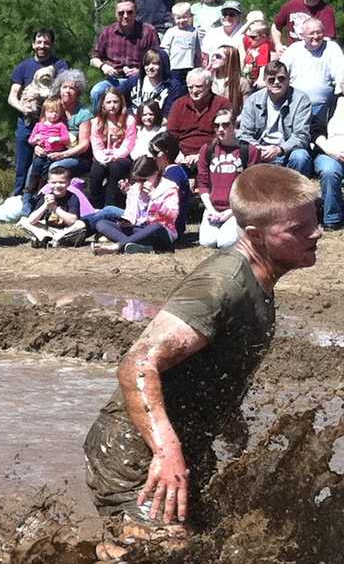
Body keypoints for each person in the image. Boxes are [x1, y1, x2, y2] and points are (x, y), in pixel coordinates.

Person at [84, 164, 321, 558]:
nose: (316, 234)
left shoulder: (256, 278)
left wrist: (232, 433)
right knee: (170, 552)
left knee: (218, 540)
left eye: (313, 222)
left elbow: (212, 367)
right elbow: (137, 364)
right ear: (255, 236)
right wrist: (165, 451)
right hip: (135, 453)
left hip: (186, 449)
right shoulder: (222, 284)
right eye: (298, 229)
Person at [9, 28, 70, 197]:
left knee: (47, 165)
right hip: (27, 121)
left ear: (52, 44)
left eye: (46, 42)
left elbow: (64, 92)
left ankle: (43, 198)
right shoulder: (23, 67)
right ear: (33, 44)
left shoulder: (60, 66)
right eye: (39, 42)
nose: (42, 46)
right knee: (22, 164)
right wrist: (23, 108)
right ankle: (18, 197)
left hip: (53, 123)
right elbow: (12, 96)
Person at [236, 62, 314, 177]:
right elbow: (244, 134)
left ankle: (295, 193)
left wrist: (279, 149)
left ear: (288, 79)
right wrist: (258, 149)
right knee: (239, 151)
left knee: (300, 157)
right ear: (264, 81)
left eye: (281, 78)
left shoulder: (301, 100)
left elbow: (301, 136)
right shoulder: (253, 100)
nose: (276, 82)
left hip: (287, 150)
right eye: (271, 80)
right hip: (259, 149)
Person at [90, 155, 180, 255]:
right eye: (137, 180)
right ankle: (137, 246)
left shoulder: (168, 187)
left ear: (155, 173)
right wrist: (126, 221)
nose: (140, 183)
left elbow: (171, 215)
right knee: (102, 223)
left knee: (156, 226)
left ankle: (117, 246)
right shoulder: (135, 188)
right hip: (138, 229)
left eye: (143, 180)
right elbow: (130, 213)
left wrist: (153, 196)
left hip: (159, 233)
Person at [197, 110, 258, 247]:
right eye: (216, 125)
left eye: (225, 125)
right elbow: (202, 183)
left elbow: (251, 188)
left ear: (234, 125)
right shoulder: (207, 150)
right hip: (213, 208)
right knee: (208, 242)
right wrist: (211, 209)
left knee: (225, 243)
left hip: (237, 208)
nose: (220, 129)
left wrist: (231, 212)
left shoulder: (248, 150)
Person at [90, 0, 161, 108]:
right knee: (96, 92)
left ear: (135, 13)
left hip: (140, 80)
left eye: (129, 12)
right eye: (121, 13)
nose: (125, 16)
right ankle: (99, 122)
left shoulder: (148, 31)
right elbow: (94, 58)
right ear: (115, 14)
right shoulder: (107, 32)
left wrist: (141, 71)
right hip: (114, 81)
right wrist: (103, 66)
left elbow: (158, 58)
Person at [278, 17, 344, 120]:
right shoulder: (293, 49)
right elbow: (280, 72)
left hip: (324, 107)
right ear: (302, 35)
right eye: (311, 33)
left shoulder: (332, 48)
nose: (316, 36)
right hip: (295, 106)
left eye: (319, 32)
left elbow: (340, 73)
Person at [165, 68, 231, 166]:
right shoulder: (179, 105)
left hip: (213, 156)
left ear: (209, 85)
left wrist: (203, 155)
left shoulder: (221, 104)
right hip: (183, 157)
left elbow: (225, 135)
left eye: (198, 86)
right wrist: (177, 152)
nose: (194, 91)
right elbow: (171, 134)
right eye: (190, 87)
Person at [88, 88, 137, 209]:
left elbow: (128, 143)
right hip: (103, 156)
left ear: (121, 103)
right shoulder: (98, 122)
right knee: (96, 170)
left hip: (122, 157)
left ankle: (111, 205)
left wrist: (115, 155)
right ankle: (94, 206)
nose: (112, 106)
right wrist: (103, 158)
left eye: (115, 102)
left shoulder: (128, 120)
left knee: (116, 167)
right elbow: (96, 143)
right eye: (108, 102)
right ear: (103, 104)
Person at [18, 165, 86, 247]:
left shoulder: (72, 197)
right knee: (23, 221)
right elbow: (31, 220)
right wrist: (45, 205)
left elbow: (72, 220)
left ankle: (50, 240)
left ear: (68, 183)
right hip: (48, 229)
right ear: (49, 183)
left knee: (80, 224)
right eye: (54, 183)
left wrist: (55, 208)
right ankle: (47, 239)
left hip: (65, 230)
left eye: (61, 182)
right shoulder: (45, 197)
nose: (57, 186)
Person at [48, 70, 96, 177]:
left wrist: (63, 155)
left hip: (77, 158)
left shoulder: (84, 113)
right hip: (52, 152)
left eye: (72, 88)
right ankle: (29, 193)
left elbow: (84, 144)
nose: (67, 91)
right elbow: (42, 130)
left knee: (55, 167)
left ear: (78, 92)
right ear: (59, 89)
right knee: (36, 164)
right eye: (64, 87)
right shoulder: (51, 108)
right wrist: (38, 147)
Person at [272, 0, 336, 49]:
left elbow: (327, 40)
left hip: (315, 55)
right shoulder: (291, 5)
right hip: (292, 55)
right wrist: (278, 45)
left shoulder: (326, 11)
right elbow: (276, 26)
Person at [120, 48, 186, 117]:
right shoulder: (135, 81)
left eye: (155, 63)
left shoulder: (173, 86)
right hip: (132, 122)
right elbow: (115, 94)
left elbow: (169, 115)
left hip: (159, 125)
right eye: (147, 64)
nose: (150, 67)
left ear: (163, 65)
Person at [26, 96, 71, 194]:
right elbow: (30, 141)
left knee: (46, 172)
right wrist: (36, 140)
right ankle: (31, 188)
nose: (54, 115)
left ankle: (41, 191)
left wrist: (57, 139)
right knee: (36, 167)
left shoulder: (60, 125)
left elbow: (66, 139)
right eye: (51, 112)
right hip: (42, 152)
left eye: (57, 112)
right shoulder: (39, 125)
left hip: (54, 153)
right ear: (45, 112)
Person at [313, 89, 344, 230]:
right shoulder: (331, 103)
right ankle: (332, 219)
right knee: (329, 170)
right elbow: (315, 130)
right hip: (329, 153)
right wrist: (330, 151)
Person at [160, 2, 200, 84]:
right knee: (175, 85)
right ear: (174, 18)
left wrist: (198, 65)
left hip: (189, 66)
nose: (181, 21)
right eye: (178, 18)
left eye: (185, 17)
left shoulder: (194, 31)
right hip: (175, 66)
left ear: (190, 17)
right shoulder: (171, 31)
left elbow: (197, 50)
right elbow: (165, 49)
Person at [207, 44, 250, 115]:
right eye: (213, 56)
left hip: (232, 122)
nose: (213, 58)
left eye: (218, 56)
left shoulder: (242, 82)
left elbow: (246, 110)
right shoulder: (208, 79)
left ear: (229, 60)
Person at [200, 0, 245, 65]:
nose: (227, 17)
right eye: (224, 14)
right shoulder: (212, 33)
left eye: (232, 15)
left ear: (239, 17)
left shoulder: (244, 33)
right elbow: (204, 56)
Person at [241, 17, 274, 89]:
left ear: (264, 37)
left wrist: (260, 79)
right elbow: (241, 34)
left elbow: (263, 66)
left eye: (253, 37)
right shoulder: (252, 43)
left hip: (255, 82)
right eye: (249, 36)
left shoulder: (264, 47)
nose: (249, 39)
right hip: (246, 78)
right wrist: (250, 22)